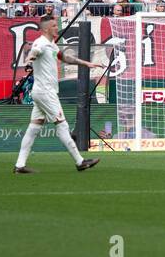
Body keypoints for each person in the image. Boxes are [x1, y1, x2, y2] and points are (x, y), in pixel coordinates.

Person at [12, 15, 100, 173]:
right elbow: (34, 51)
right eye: (53, 26)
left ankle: (19, 165)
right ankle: (80, 161)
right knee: (62, 125)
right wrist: (30, 58)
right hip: (46, 92)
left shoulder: (51, 44)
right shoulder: (41, 43)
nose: (56, 28)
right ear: (46, 29)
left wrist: (86, 63)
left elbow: (64, 57)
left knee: (34, 127)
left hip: (42, 92)